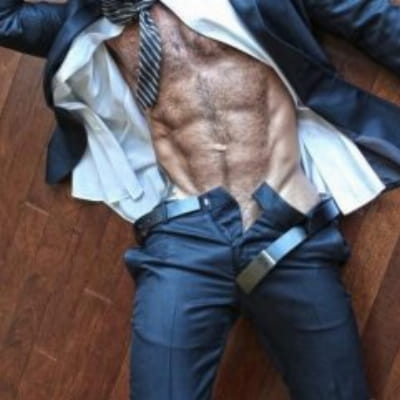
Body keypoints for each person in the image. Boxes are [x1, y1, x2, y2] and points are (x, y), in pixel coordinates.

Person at [2, 0, 400, 398]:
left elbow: (369, 17)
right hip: (186, 237)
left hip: (286, 224)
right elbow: (7, 20)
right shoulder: (97, 19)